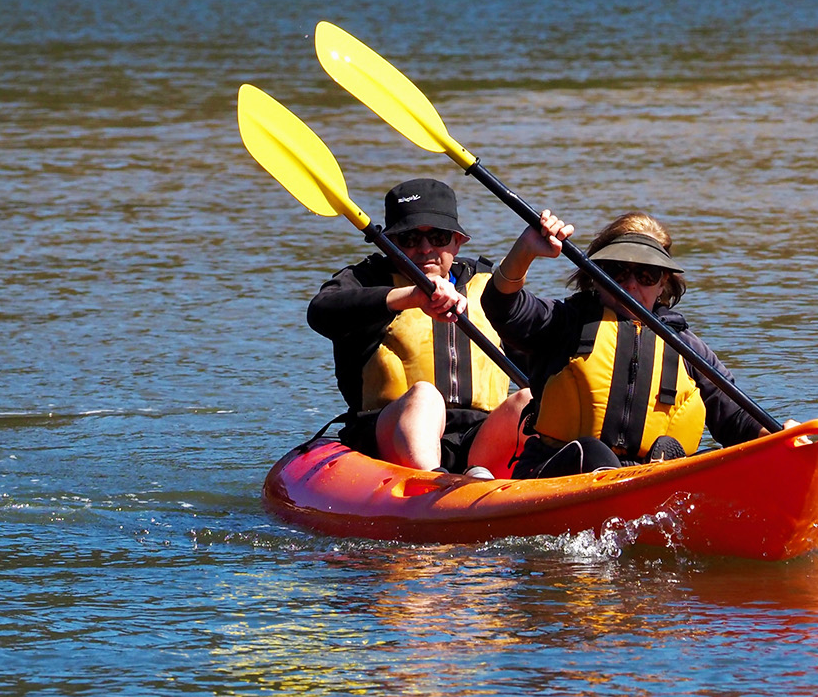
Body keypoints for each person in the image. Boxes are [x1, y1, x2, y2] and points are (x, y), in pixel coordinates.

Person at [480, 210, 765, 478]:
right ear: (597, 276)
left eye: (645, 275)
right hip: (559, 473)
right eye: (618, 271)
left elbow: (737, 418)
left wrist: (784, 437)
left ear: (663, 283)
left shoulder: (686, 348)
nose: (630, 285)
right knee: (593, 452)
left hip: (646, 479)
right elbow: (503, 307)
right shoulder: (565, 323)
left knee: (696, 459)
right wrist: (525, 250)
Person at [307, 178, 531, 476]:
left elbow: (539, 359)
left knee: (528, 400)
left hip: (480, 437)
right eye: (409, 239)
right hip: (390, 431)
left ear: (457, 240)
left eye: (437, 237)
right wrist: (411, 297)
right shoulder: (369, 279)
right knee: (425, 396)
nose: (425, 249)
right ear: (390, 245)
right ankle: (433, 484)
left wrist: (529, 250)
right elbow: (321, 312)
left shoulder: (487, 286)